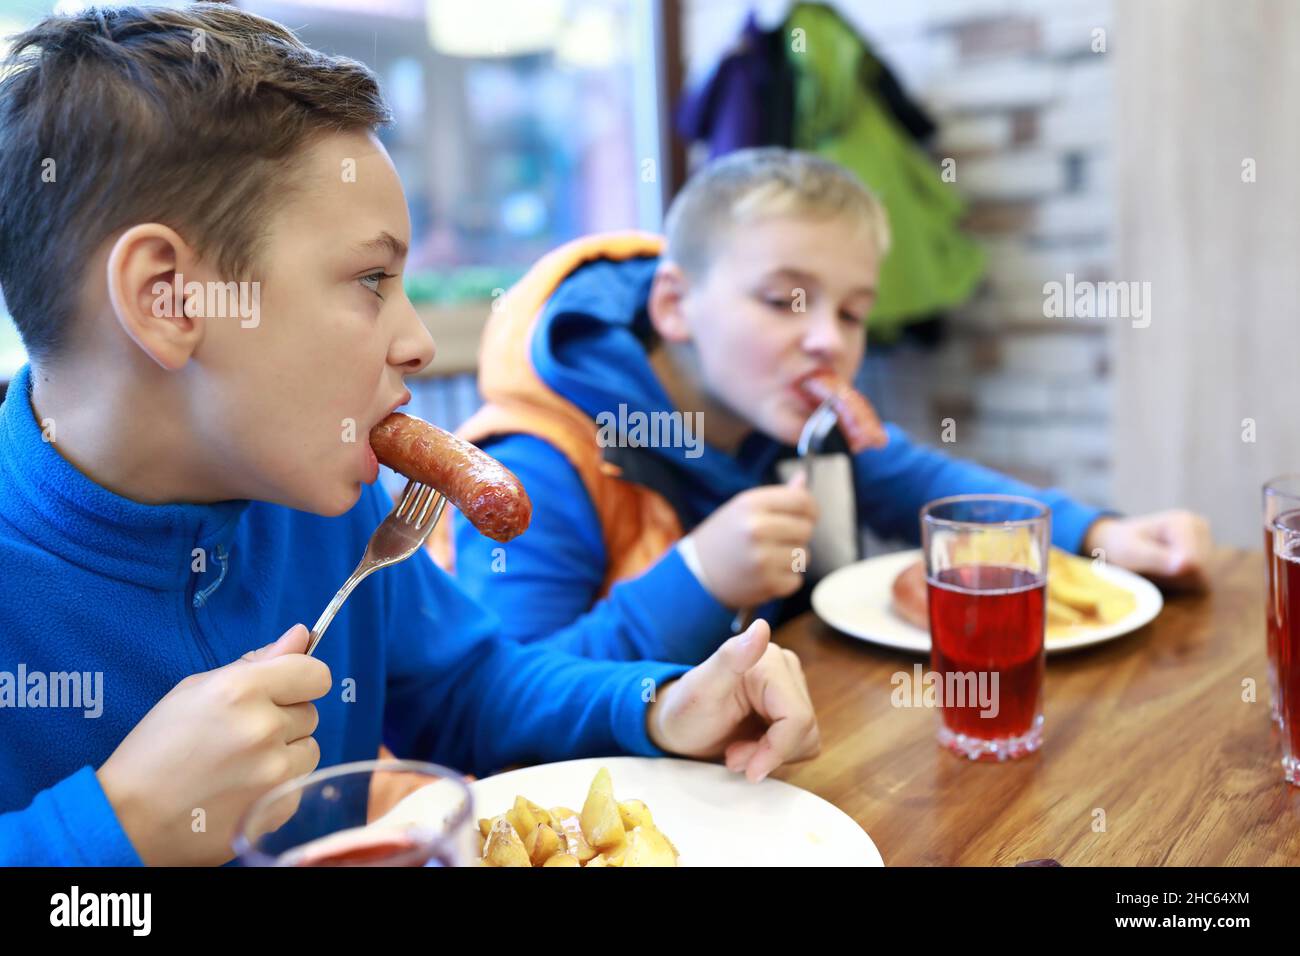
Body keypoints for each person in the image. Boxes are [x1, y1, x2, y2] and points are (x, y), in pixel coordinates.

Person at [0, 5, 818, 866]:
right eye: (370, 279)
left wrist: (658, 707)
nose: (419, 342)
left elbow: (472, 691)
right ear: (168, 297)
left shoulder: (315, 496)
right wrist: (117, 826)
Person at [444, 147, 1213, 663]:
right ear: (676, 305)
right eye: (787, 300)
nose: (827, 342)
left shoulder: (803, 423)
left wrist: (1101, 532)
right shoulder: (534, 467)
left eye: (851, 314)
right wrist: (698, 577)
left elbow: (931, 486)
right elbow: (498, 705)